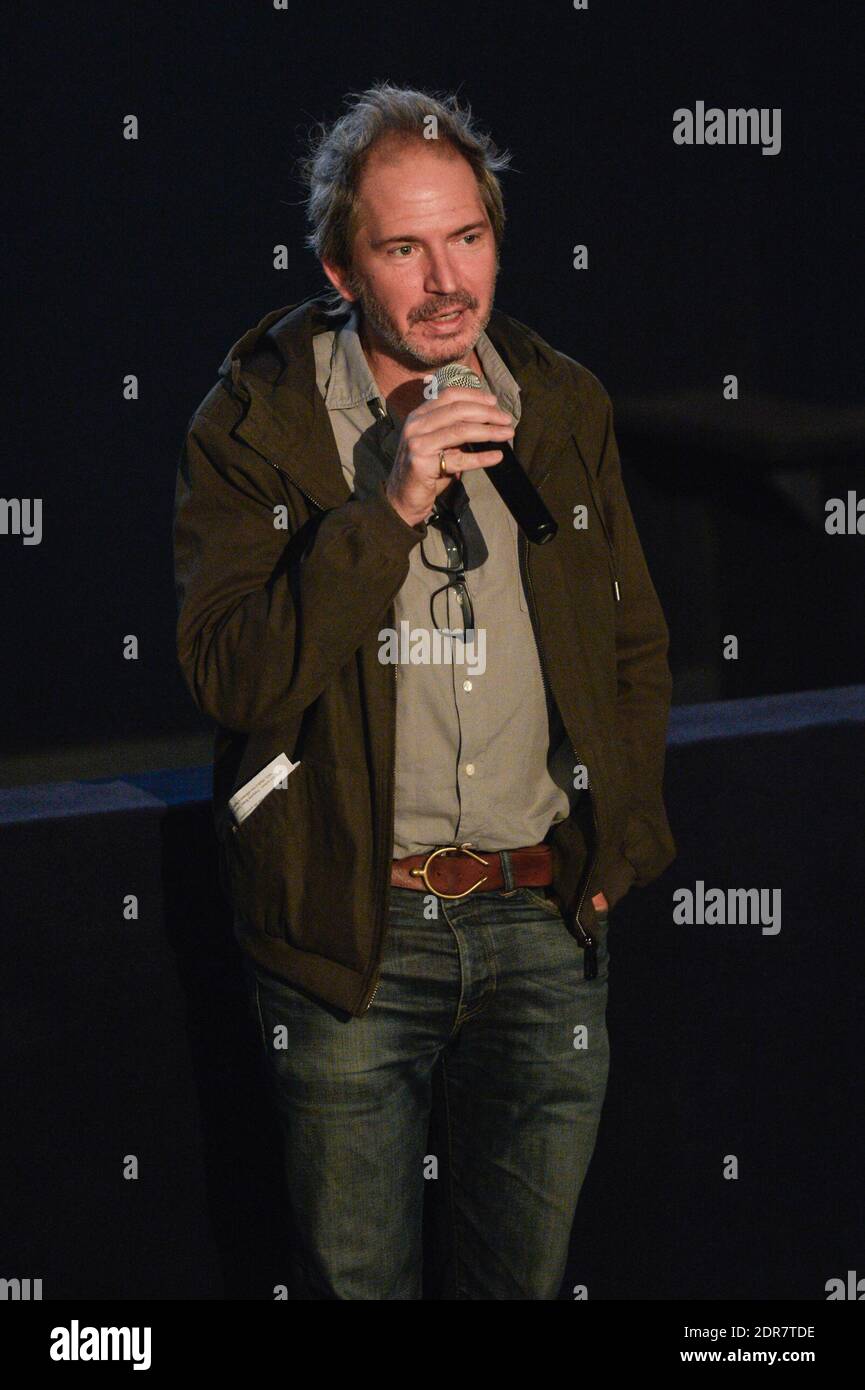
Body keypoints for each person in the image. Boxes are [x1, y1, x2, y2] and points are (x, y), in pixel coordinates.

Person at [172, 82, 676, 1299]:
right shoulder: (258, 425)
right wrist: (384, 508)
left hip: (541, 916)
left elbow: (633, 644)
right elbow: (231, 670)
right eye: (404, 246)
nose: (447, 279)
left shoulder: (561, 401)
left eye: (468, 237)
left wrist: (620, 838)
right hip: (353, 933)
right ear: (343, 268)